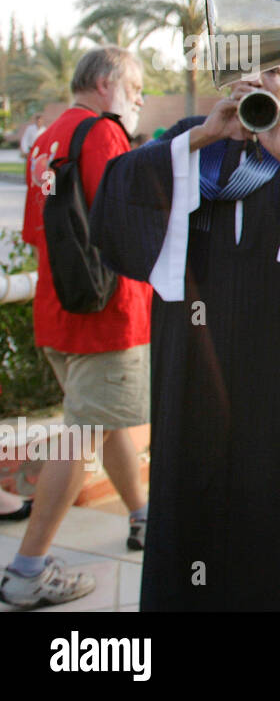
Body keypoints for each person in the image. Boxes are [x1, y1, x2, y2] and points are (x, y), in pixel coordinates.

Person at [88, 61, 280, 611]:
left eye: (277, 71)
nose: (262, 79)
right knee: (197, 469)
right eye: (251, 68)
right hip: (195, 347)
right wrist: (203, 137)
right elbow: (117, 198)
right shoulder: (192, 134)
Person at [1, 47, 152, 609]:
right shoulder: (103, 134)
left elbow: (37, 232)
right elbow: (128, 224)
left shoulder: (45, 138)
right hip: (107, 316)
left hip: (56, 315)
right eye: (135, 88)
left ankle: (142, 517)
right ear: (108, 82)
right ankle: (27, 569)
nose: (138, 100)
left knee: (100, 421)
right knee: (82, 432)